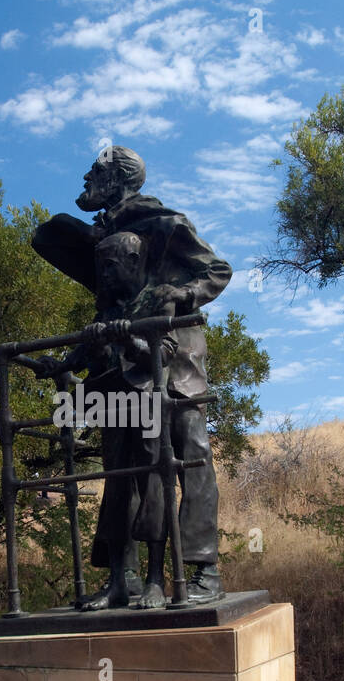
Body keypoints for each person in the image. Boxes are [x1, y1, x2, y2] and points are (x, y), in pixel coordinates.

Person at [32, 147, 230, 603]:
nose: (85, 176)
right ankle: (124, 578)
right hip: (120, 366)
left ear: (118, 180)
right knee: (122, 469)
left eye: (95, 172)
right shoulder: (105, 235)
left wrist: (177, 293)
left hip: (174, 362)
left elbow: (218, 271)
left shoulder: (164, 224)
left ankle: (203, 573)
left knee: (191, 460)